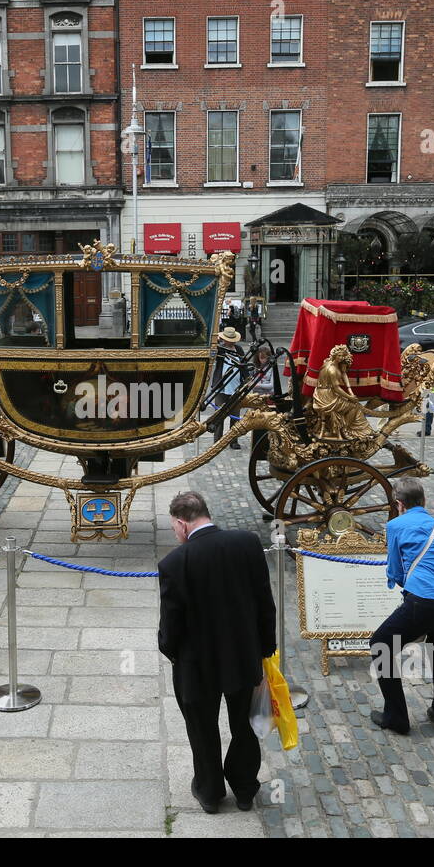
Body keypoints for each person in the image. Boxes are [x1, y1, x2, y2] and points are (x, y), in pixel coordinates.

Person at [158, 491, 277, 812]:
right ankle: (244, 789)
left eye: (173, 528)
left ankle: (210, 792)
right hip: (242, 656)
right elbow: (265, 603)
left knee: (202, 728)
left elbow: (172, 623)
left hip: (197, 665)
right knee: (244, 726)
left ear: (182, 524)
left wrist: (168, 650)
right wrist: (266, 648)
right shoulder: (248, 544)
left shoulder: (174, 563)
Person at [369, 477, 434, 735]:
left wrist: (406, 587)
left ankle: (396, 717)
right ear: (424, 501)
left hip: (425, 601)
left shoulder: (395, 525)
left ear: (399, 504)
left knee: (381, 644)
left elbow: (394, 570)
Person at [210, 326, 246, 449]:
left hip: (236, 388)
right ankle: (217, 441)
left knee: (235, 417)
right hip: (222, 387)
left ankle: (233, 441)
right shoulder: (220, 349)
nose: (229, 341)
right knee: (219, 415)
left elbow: (244, 365)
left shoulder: (239, 349)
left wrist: (246, 380)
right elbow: (212, 356)